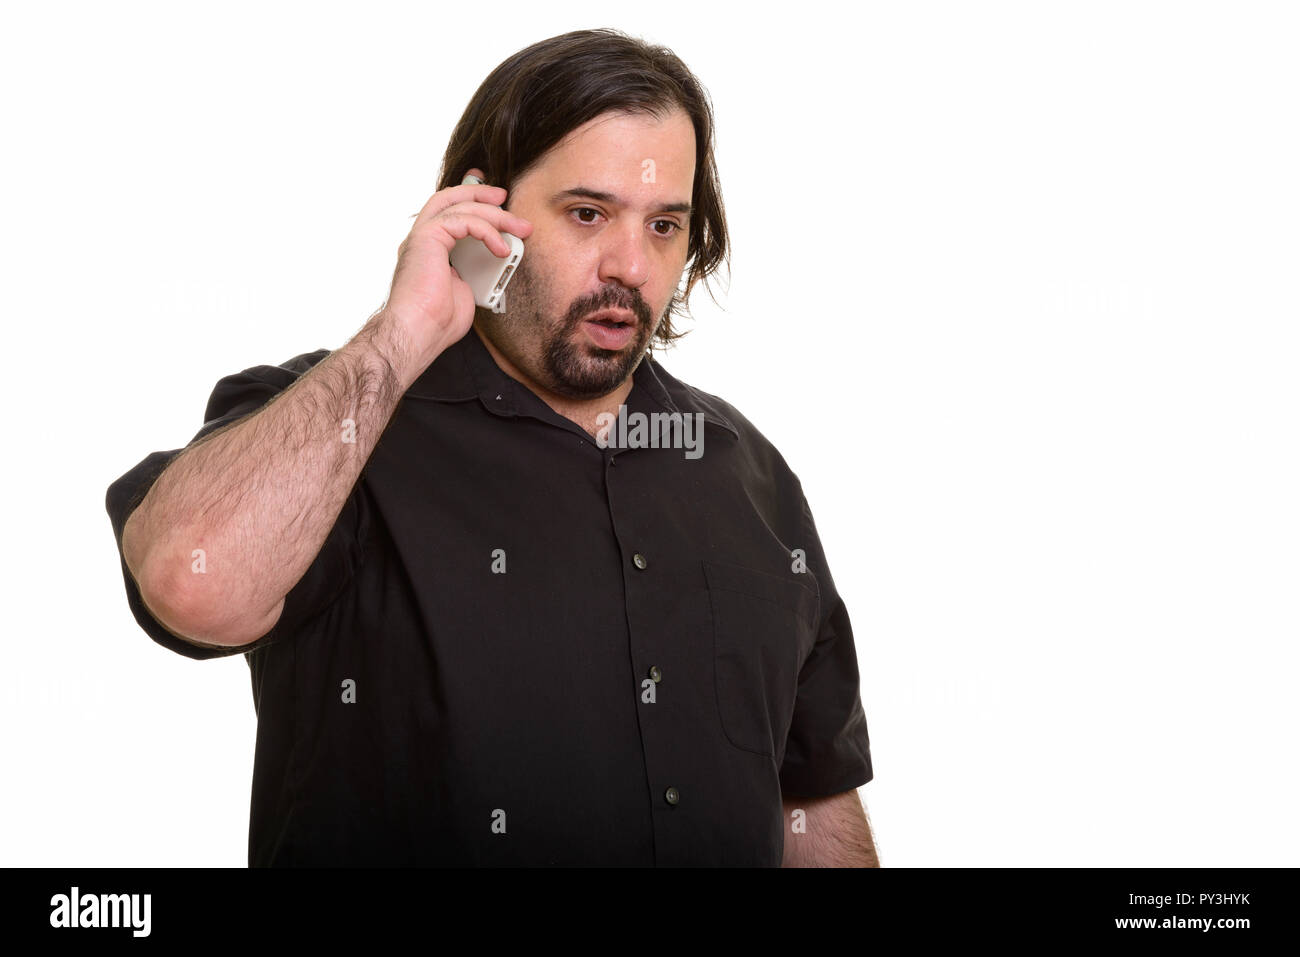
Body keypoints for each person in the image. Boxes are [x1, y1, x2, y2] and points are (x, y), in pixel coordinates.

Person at [105, 27, 878, 867]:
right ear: (484, 212)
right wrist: (402, 335)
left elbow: (813, 793)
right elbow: (191, 582)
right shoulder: (338, 431)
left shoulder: (751, 475)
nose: (630, 263)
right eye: (588, 213)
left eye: (665, 225)